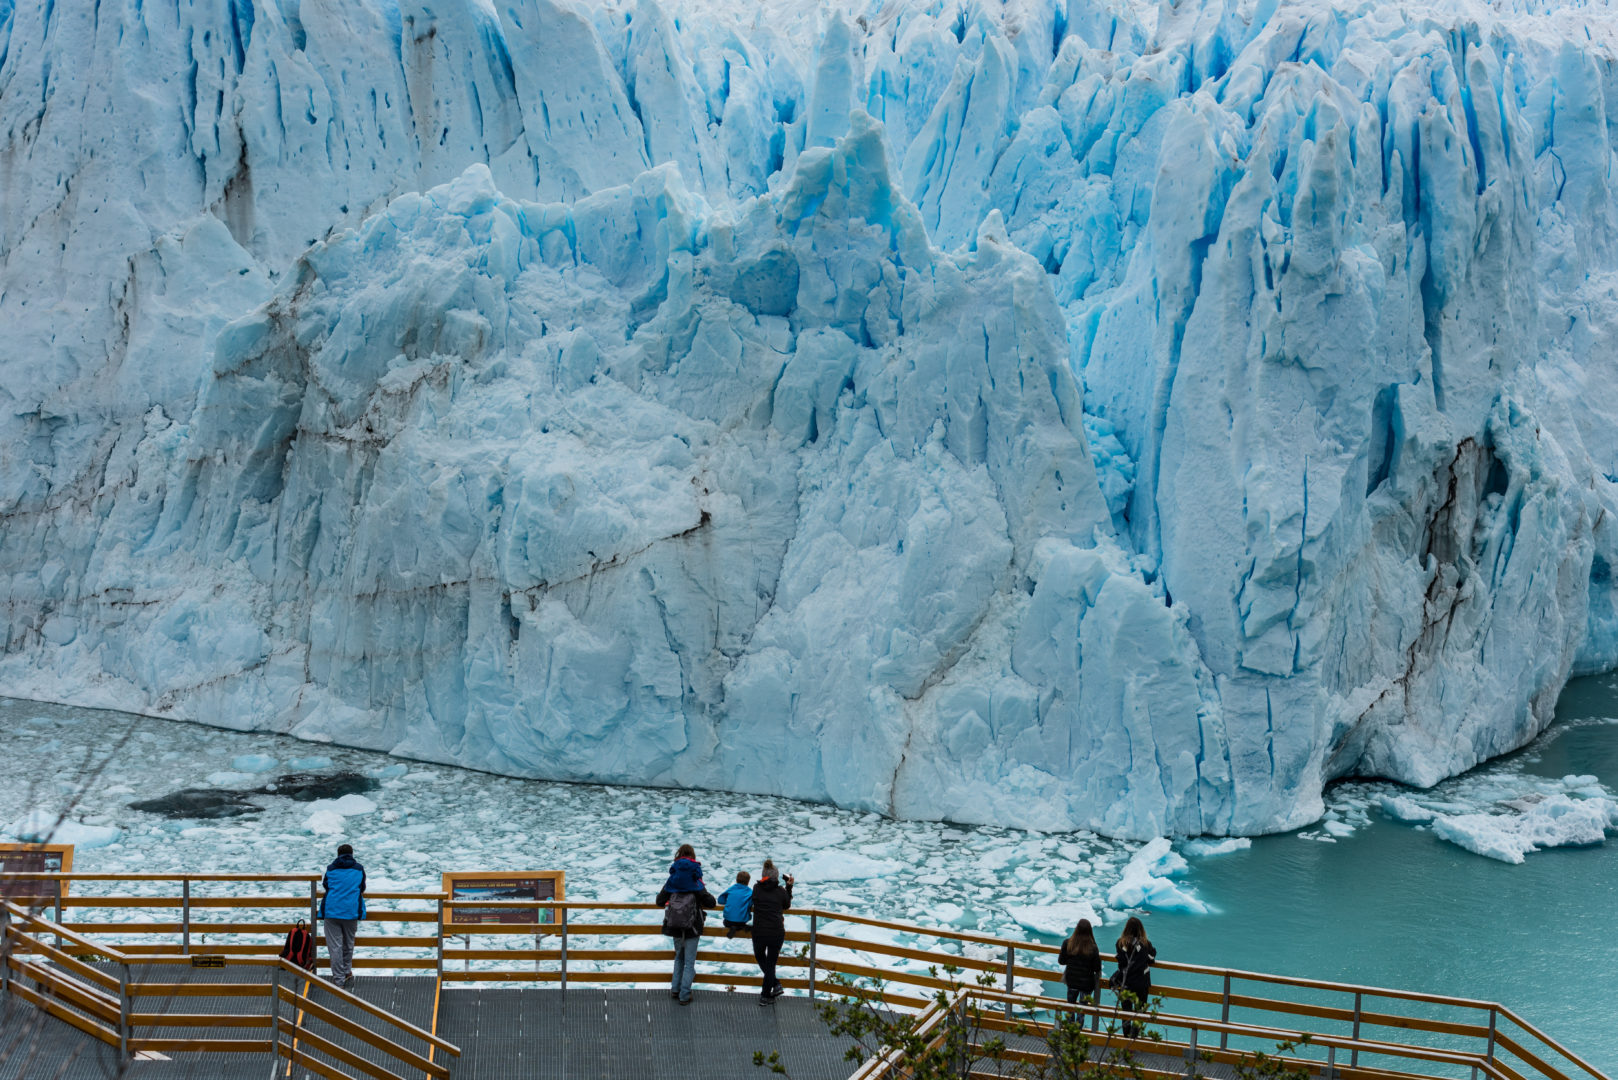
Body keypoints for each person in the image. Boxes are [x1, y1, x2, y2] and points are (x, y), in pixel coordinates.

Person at [657, 847, 716, 1006]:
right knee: (689, 962)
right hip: (693, 927)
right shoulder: (695, 880)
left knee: (679, 958)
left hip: (675, 926)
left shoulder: (673, 879)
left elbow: (659, 901)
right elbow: (711, 902)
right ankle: (684, 995)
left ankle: (675, 989)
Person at [320, 843, 366, 989]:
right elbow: (362, 887)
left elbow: (326, 885)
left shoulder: (331, 869)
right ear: (352, 854)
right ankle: (347, 972)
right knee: (348, 943)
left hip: (332, 911)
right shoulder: (359, 869)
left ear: (338, 854)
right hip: (351, 911)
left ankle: (339, 980)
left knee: (335, 946)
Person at [749, 859, 794, 1006]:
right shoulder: (780, 891)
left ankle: (769, 991)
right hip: (776, 932)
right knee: (771, 963)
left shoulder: (756, 888)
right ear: (776, 877)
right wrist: (789, 887)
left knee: (760, 957)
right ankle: (771, 989)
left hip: (759, 931)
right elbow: (786, 905)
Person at [1112, 916, 1156, 1038]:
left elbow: (1120, 961)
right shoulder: (1145, 944)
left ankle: (1126, 1036)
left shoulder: (1120, 943)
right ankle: (1134, 1037)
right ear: (1140, 929)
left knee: (1126, 1011)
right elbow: (1151, 958)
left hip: (1125, 981)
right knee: (1139, 1012)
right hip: (1141, 983)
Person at [1057, 918, 1102, 1007]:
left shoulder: (1067, 943)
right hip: (1086, 984)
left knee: (1070, 1006)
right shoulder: (1093, 947)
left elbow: (1061, 961)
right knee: (1082, 1008)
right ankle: (1079, 1021)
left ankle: (1070, 1021)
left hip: (1071, 981)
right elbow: (1097, 968)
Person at [717, 870, 753, 937]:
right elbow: (751, 903)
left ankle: (734, 927)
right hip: (741, 922)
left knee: (725, 922)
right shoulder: (750, 892)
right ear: (748, 881)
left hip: (728, 921)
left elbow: (720, 900)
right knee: (743, 919)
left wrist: (728, 901)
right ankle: (741, 927)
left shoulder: (732, 889)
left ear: (737, 880)